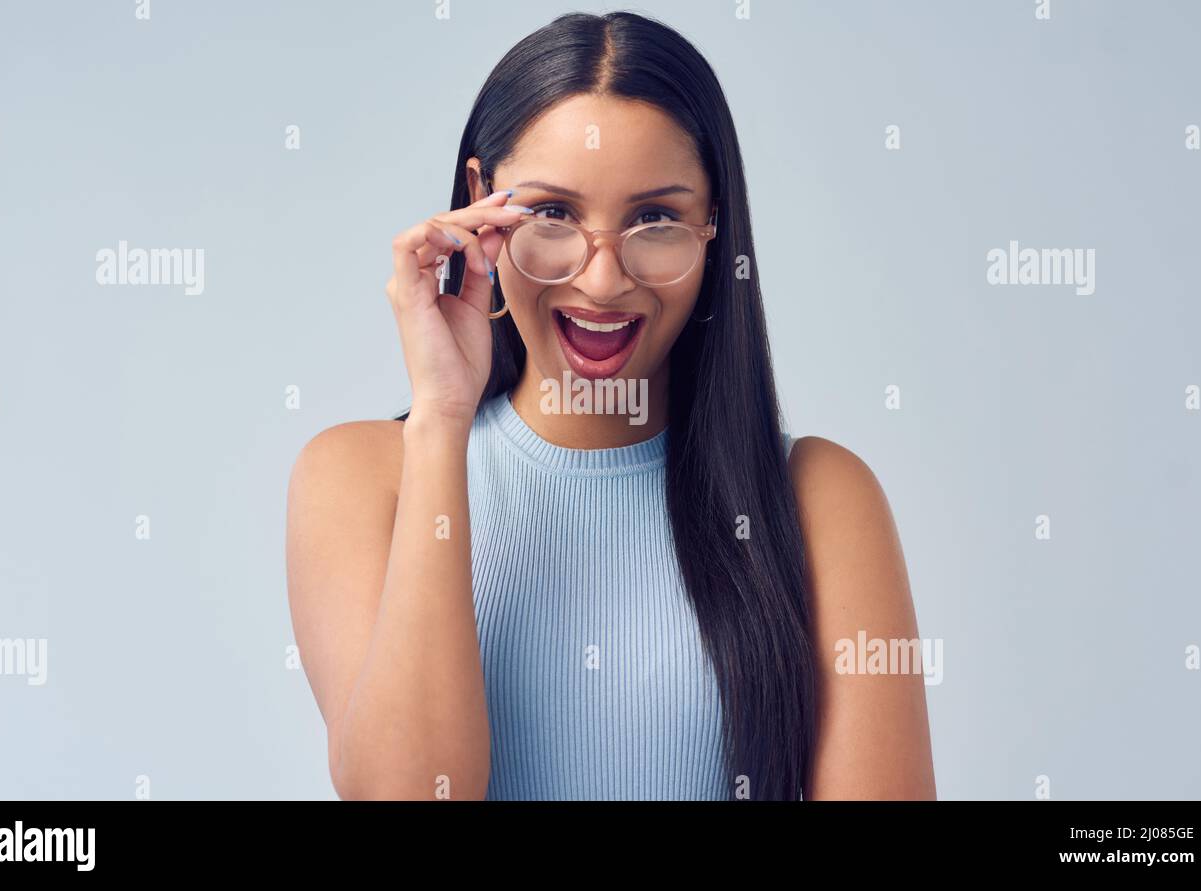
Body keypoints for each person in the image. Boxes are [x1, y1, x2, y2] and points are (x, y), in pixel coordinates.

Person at [286, 10, 935, 801]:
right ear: (479, 202)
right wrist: (441, 422)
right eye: (553, 213)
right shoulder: (360, 476)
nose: (601, 281)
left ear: (711, 227)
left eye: (654, 217)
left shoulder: (821, 499)